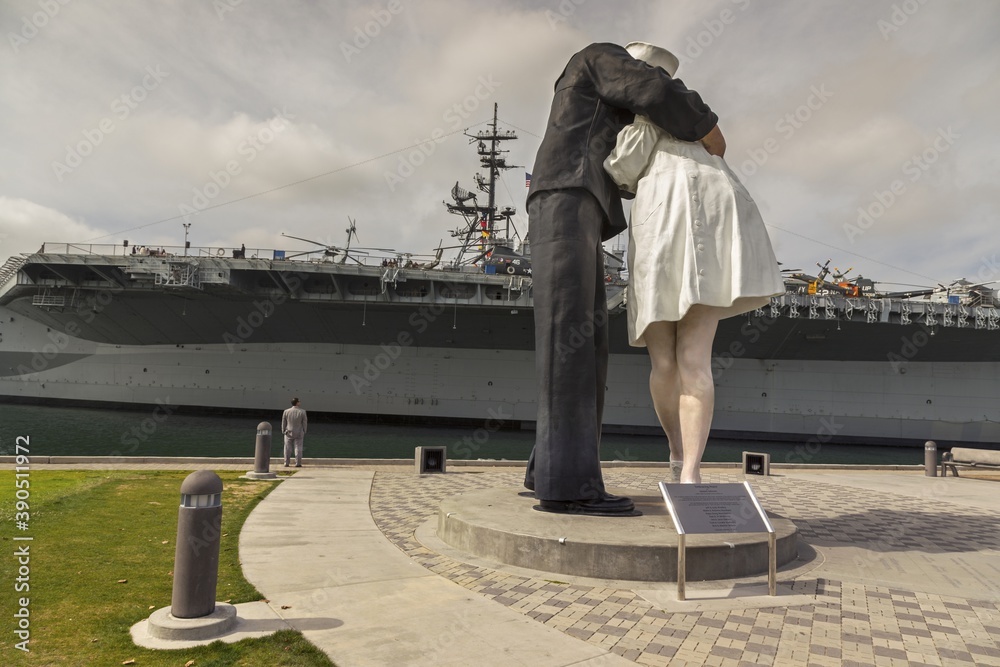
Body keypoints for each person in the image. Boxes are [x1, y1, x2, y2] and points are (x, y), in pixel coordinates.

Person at [523, 42, 722, 515]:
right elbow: (654, 90)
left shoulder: (598, 99)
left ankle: (546, 470)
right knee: (570, 345)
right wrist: (708, 128)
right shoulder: (600, 57)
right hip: (568, 195)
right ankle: (570, 488)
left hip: (580, 202)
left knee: (585, 346)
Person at [604, 42, 785, 484]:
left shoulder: (641, 121)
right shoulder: (694, 112)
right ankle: (690, 470)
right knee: (693, 360)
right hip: (713, 207)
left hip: (664, 218)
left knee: (666, 363)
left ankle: (678, 455)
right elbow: (719, 144)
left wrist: (640, 124)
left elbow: (623, 171)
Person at [281, 397, 308, 467]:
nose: (300, 402)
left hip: (288, 431)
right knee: (298, 448)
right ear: (297, 403)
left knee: (287, 448)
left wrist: (283, 430)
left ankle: (286, 463)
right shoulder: (302, 411)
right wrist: (304, 430)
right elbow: (304, 422)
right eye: (299, 401)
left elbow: (284, 422)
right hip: (299, 432)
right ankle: (298, 463)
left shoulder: (286, 411)